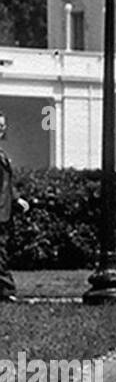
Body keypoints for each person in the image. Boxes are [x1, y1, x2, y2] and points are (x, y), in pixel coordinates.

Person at [0, 114, 32, 303]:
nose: (1, 129)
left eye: (3, 125)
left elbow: (6, 182)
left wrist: (17, 199)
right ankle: (6, 290)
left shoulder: (2, 153)